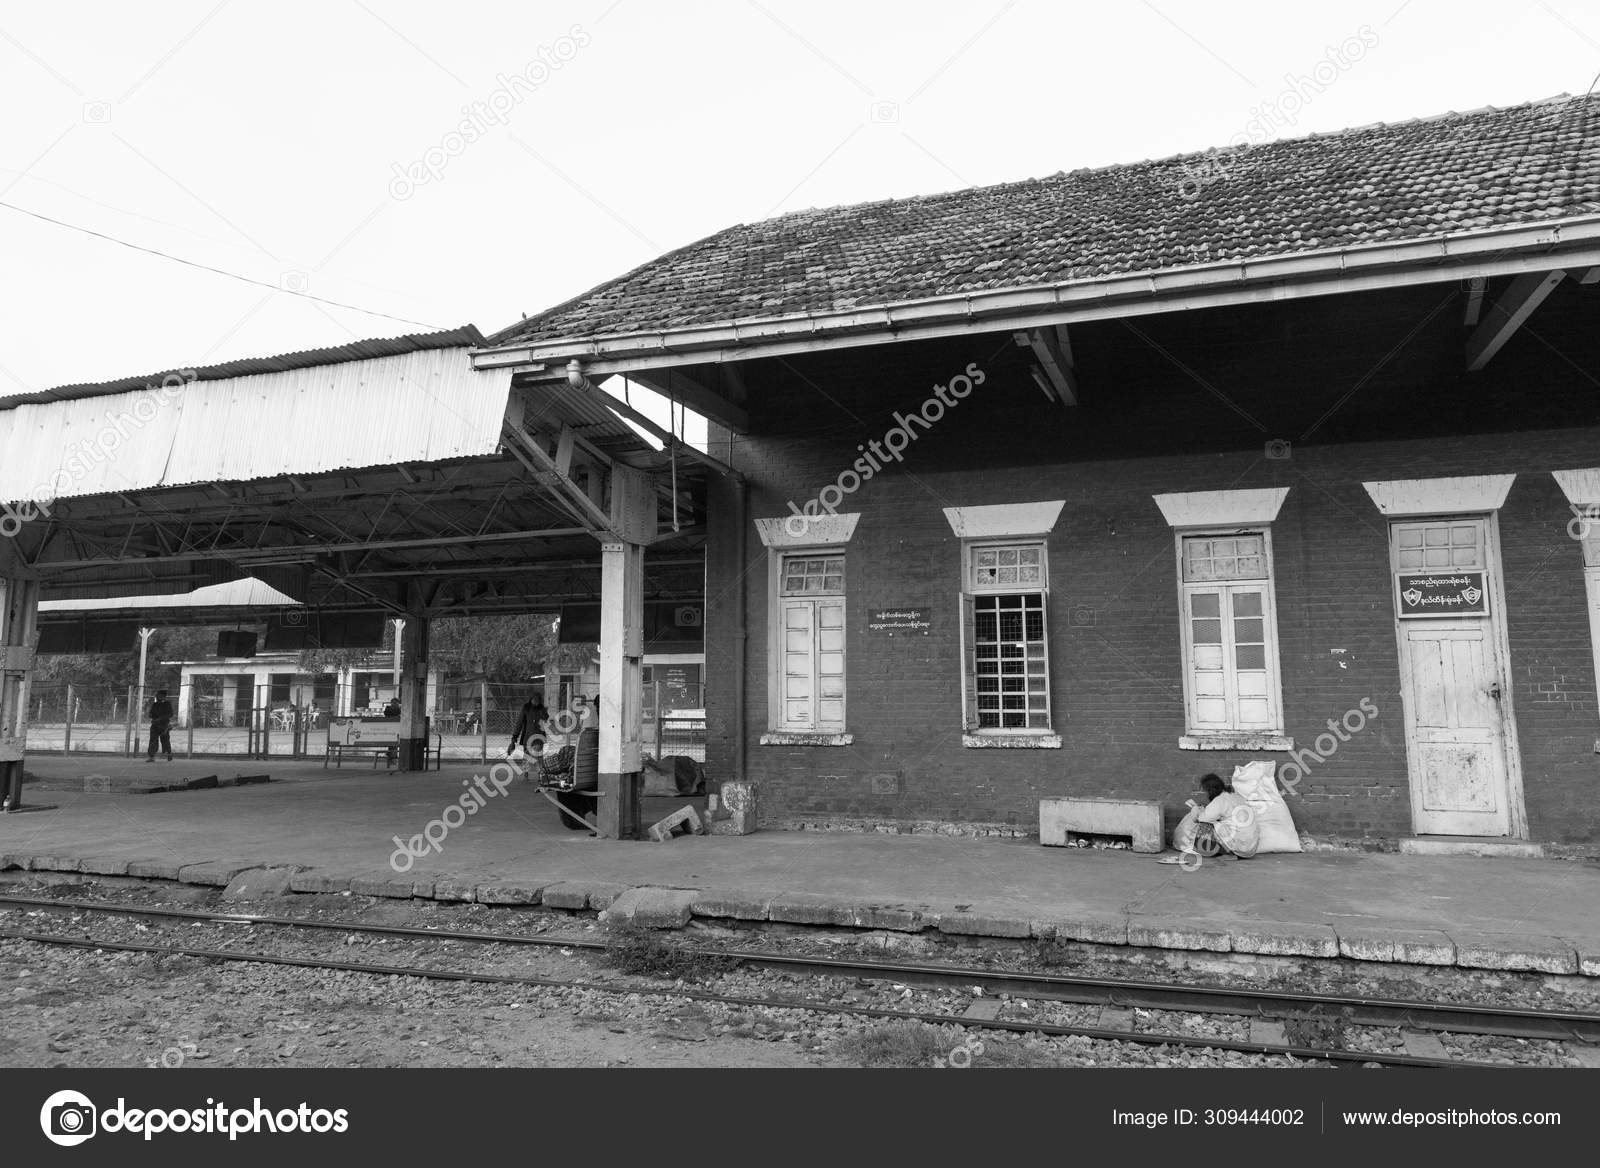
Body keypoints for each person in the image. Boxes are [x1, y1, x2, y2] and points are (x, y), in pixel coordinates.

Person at [1194, 773, 1260, 859]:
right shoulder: (1236, 796)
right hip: (1250, 848)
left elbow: (1204, 818)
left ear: (1210, 790)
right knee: (1218, 824)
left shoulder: (1220, 799)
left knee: (1205, 825)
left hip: (1239, 844)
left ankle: (1228, 854)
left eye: (1206, 791)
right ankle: (1232, 852)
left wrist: (1196, 811)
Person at [508, 695, 550, 766]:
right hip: (528, 736)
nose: (536, 702)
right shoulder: (526, 708)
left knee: (538, 756)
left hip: (538, 736)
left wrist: (544, 711)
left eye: (538, 700)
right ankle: (526, 774)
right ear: (531, 700)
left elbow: (545, 718)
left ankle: (541, 773)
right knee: (527, 757)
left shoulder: (541, 708)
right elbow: (519, 723)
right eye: (534, 700)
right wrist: (514, 737)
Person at [145, 689, 174, 762]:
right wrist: (150, 715)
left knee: (165, 740)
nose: (156, 697)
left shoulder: (167, 704)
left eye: (158, 695)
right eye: (156, 695)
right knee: (153, 740)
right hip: (155, 725)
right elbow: (151, 714)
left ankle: (169, 753)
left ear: (163, 696)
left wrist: (160, 719)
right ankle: (152, 756)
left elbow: (170, 714)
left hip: (164, 725)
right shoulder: (155, 704)